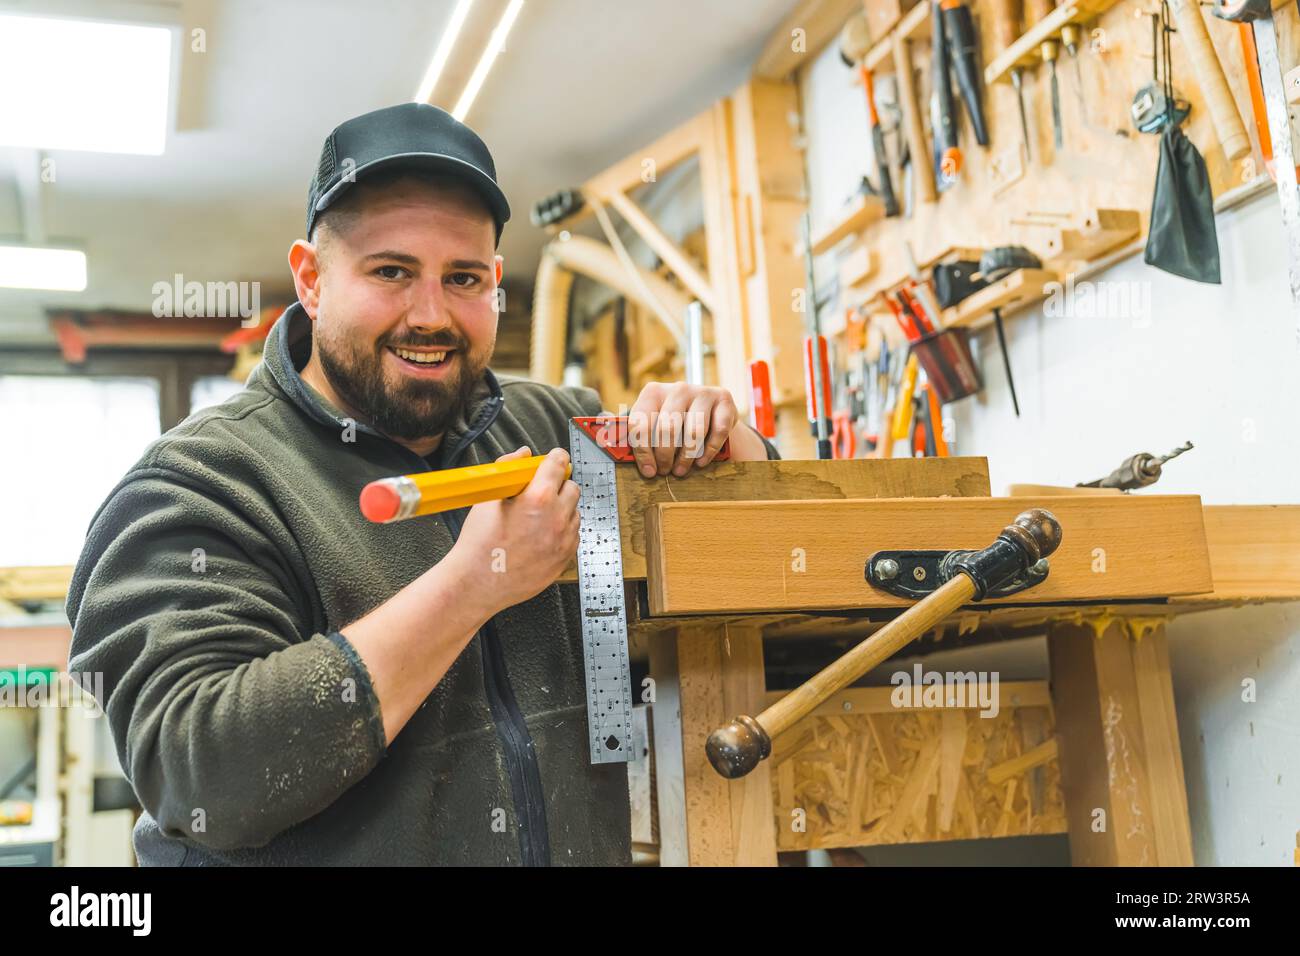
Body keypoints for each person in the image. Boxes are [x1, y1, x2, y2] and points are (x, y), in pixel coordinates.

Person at [67, 102, 776, 865]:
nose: (431, 315)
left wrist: (725, 437)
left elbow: (771, 532)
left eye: (463, 277)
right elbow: (200, 774)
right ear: (310, 278)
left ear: (496, 284)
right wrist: (472, 587)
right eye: (392, 272)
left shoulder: (556, 428)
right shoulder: (201, 484)